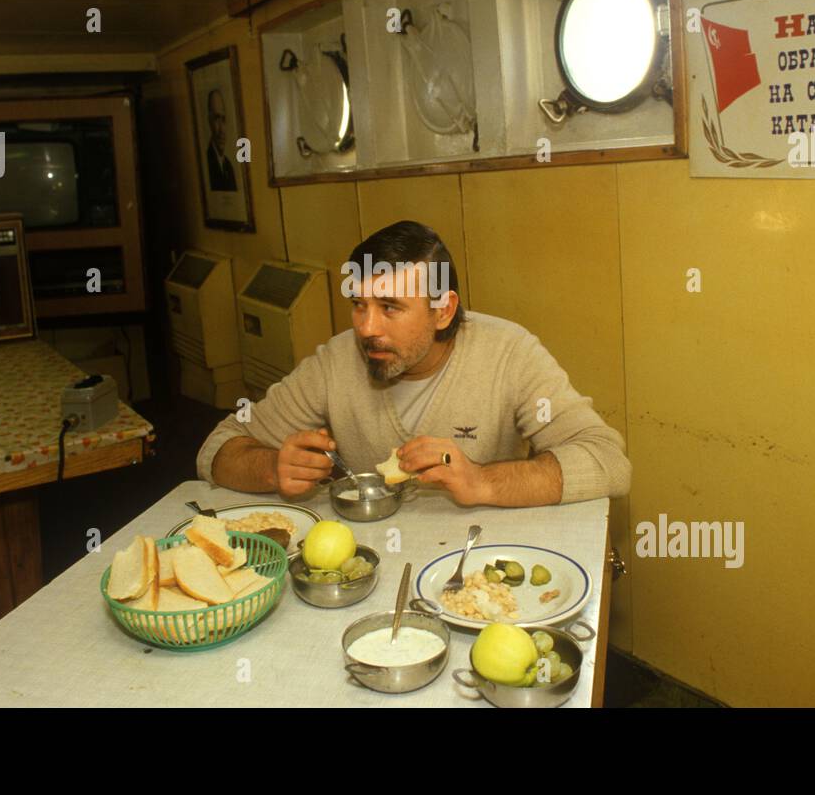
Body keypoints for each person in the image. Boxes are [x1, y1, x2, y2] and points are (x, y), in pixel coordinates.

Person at [196, 220, 630, 507]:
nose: (366, 329)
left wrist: (482, 482)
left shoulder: (508, 353)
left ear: (443, 310)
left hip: (475, 570)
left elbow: (608, 462)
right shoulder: (335, 362)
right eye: (358, 305)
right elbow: (218, 448)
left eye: (389, 307)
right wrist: (272, 469)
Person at [205, 88, 238, 192]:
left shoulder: (229, 167)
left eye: (223, 120)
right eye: (216, 118)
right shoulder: (207, 163)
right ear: (209, 121)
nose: (222, 130)